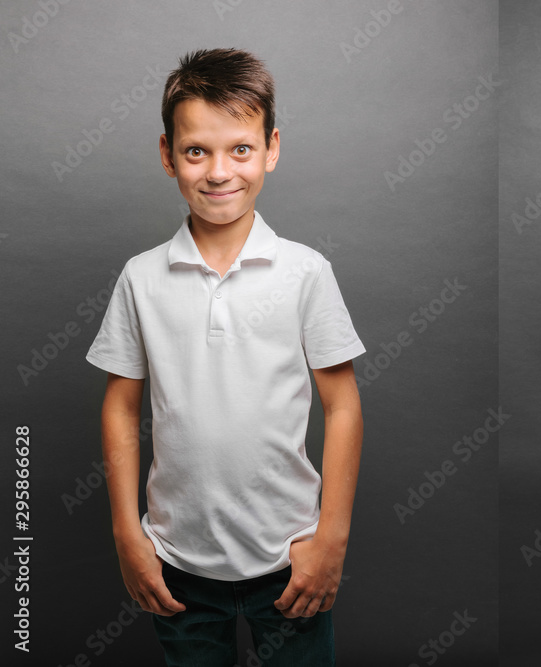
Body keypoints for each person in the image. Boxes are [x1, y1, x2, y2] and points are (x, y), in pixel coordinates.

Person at [86, 48, 365, 666]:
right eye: (196, 151)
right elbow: (120, 407)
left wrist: (330, 540)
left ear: (271, 149)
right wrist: (127, 535)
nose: (218, 171)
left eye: (240, 148)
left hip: (289, 559)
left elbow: (342, 406)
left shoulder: (305, 272)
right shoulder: (141, 278)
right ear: (168, 155)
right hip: (178, 564)